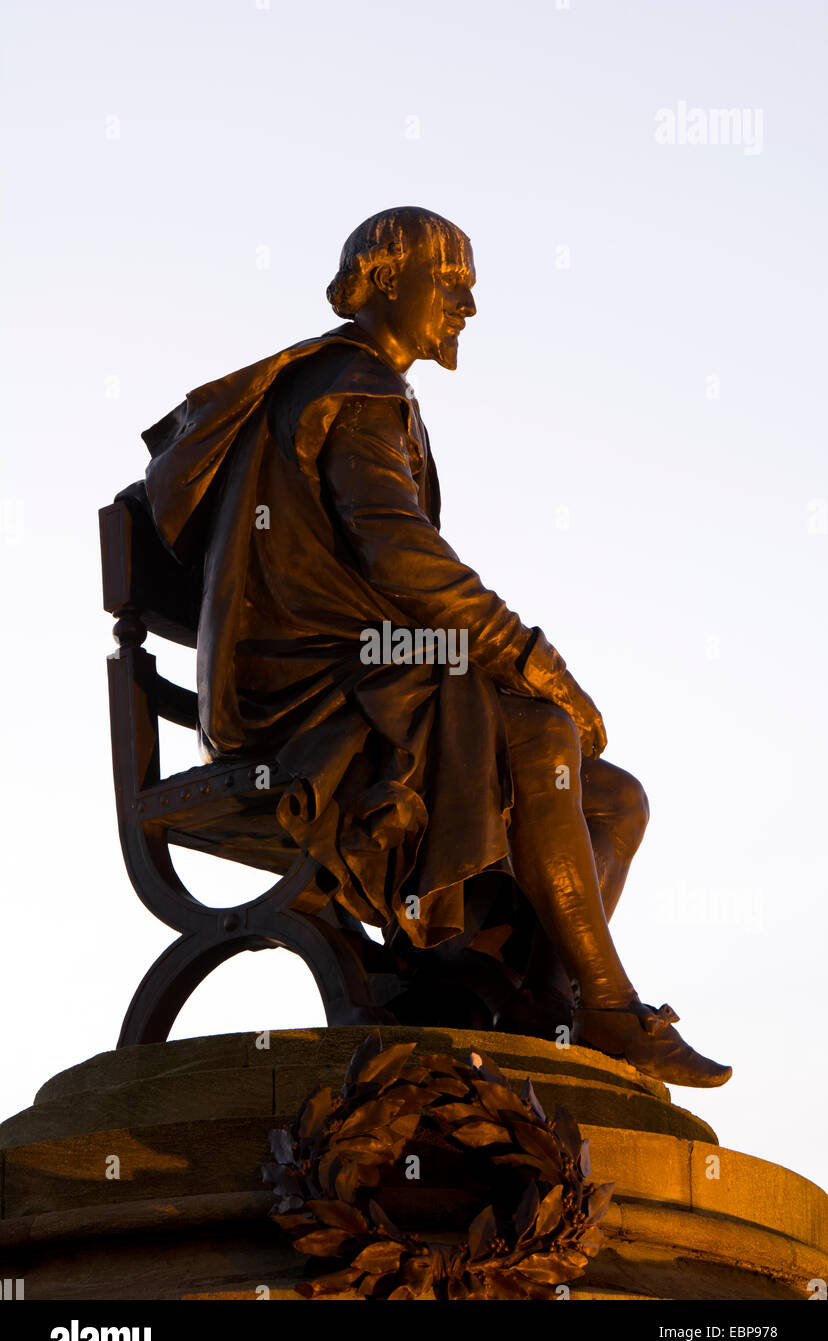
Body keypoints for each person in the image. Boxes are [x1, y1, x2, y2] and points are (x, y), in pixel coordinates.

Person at [142, 206, 731, 1088]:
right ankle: (607, 1006)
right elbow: (404, 558)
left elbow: (394, 578)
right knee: (536, 728)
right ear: (385, 282)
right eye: (451, 282)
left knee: (613, 798)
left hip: (348, 680)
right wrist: (537, 662)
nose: (468, 307)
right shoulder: (353, 389)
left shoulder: (362, 387)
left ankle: (531, 1001)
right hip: (296, 702)